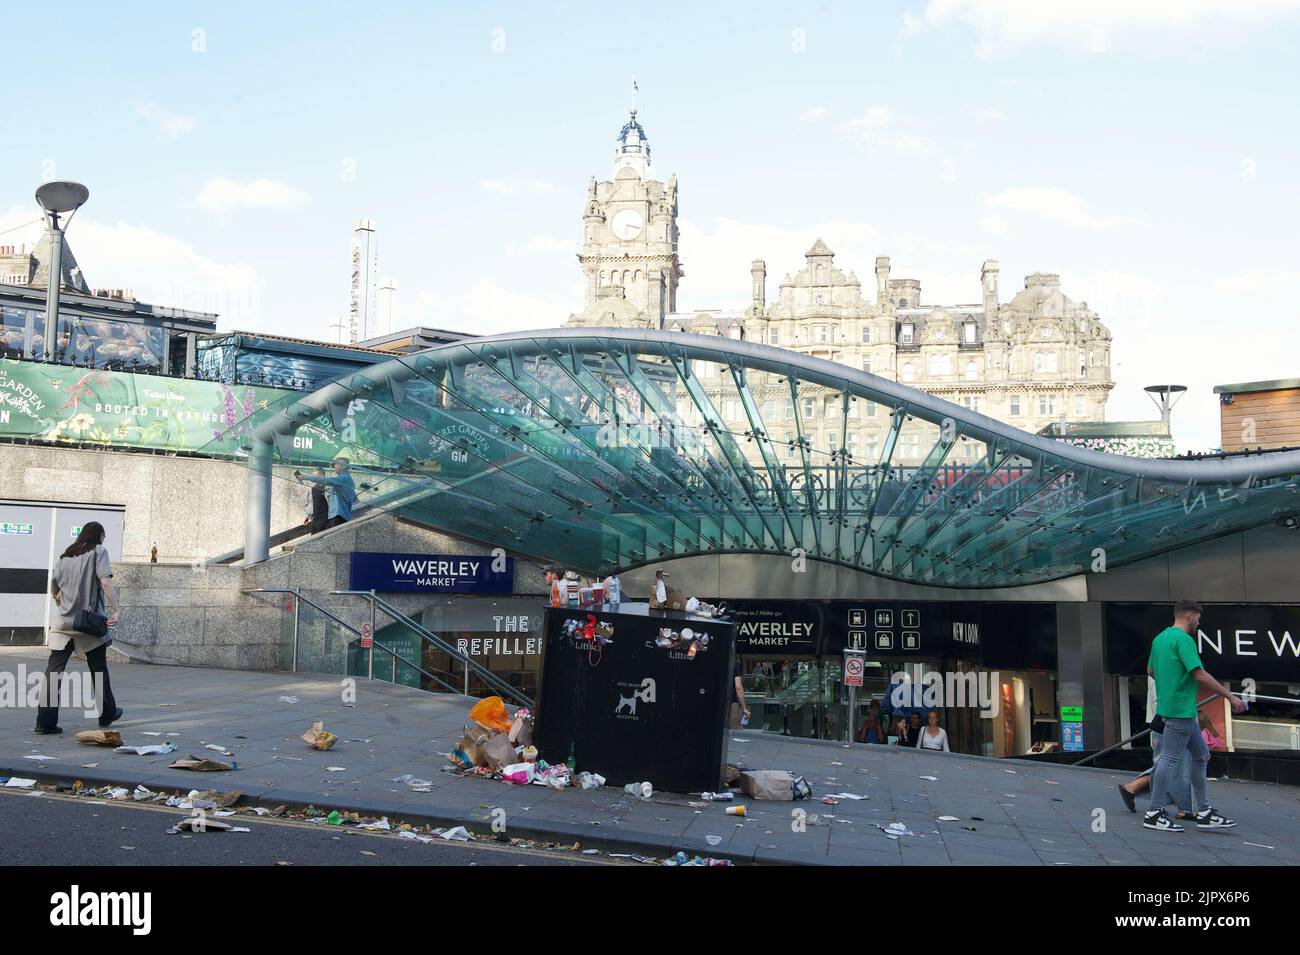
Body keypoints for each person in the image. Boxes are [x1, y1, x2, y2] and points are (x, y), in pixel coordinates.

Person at [1144, 599, 1246, 833]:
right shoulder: (1184, 640)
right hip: (1181, 710)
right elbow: (1198, 674)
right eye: (1198, 617)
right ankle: (1153, 812)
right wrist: (1229, 696)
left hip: (1176, 709)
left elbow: (1150, 670)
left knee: (1201, 756)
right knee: (1169, 759)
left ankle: (1204, 811)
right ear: (1189, 614)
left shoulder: (1160, 638)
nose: (1199, 621)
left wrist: (1169, 683)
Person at [35, 522, 122, 734]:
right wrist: (116, 609)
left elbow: (54, 587)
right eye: (104, 535)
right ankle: (107, 713)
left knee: (53, 671)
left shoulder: (65, 557)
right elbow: (105, 582)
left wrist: (63, 604)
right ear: (100, 535)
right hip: (88, 623)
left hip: (63, 623)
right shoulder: (98, 551)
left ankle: (45, 722)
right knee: (98, 669)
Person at [1118, 675, 1193, 820]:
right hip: (1171, 718)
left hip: (1162, 719)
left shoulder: (1158, 664)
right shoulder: (1167, 667)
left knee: (1168, 761)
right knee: (1175, 761)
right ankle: (1181, 808)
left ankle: (1143, 794)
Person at [297, 458, 357, 527]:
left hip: (339, 515)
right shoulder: (343, 479)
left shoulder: (344, 478)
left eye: (337, 464)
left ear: (344, 466)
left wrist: (306, 477)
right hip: (336, 515)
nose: (334, 466)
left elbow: (326, 480)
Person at [301, 467, 329, 535]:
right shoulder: (313, 488)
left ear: (322, 476)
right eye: (312, 476)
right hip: (315, 519)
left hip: (325, 519)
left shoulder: (327, 487)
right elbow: (310, 503)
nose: (312, 478)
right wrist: (307, 516)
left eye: (315, 476)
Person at [729, 657, 750, 729]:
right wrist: (744, 708)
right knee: (734, 732)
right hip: (731, 704)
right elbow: (738, 687)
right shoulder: (734, 664)